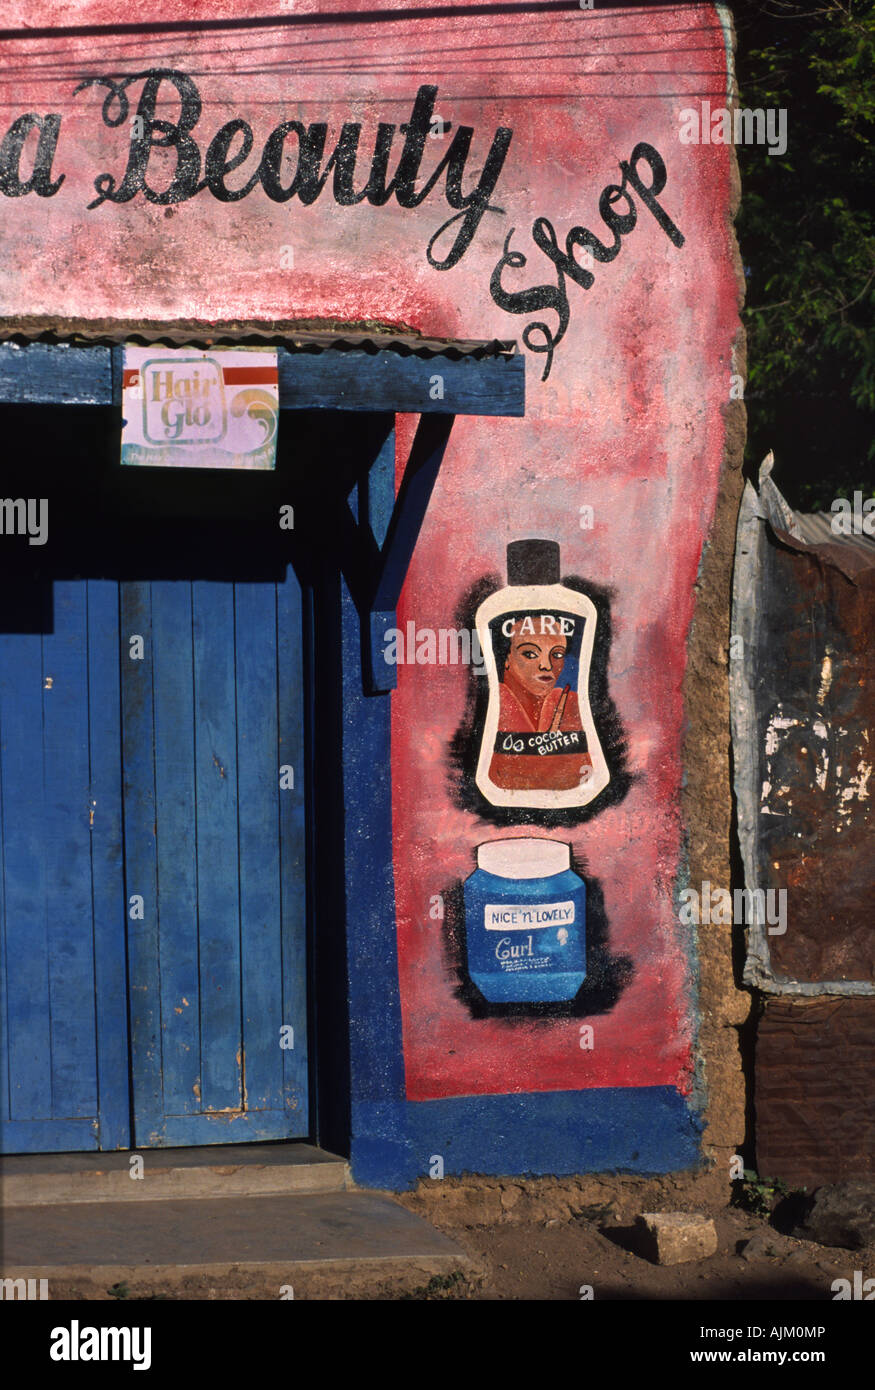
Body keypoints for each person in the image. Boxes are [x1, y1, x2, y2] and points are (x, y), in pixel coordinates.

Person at [487, 614, 592, 792]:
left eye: (557, 654)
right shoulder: (495, 701)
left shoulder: (570, 702)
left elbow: (582, 772)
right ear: (506, 658)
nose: (547, 666)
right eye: (530, 653)